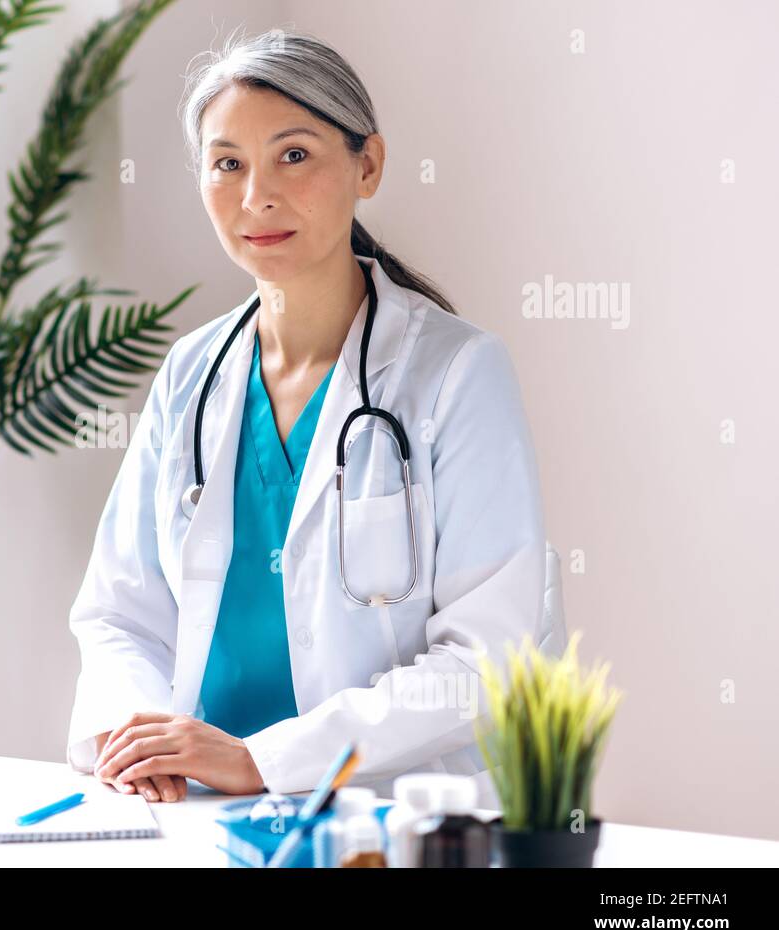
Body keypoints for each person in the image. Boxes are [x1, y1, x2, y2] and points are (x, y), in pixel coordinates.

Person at [66, 29, 555, 806]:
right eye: (227, 164)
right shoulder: (191, 374)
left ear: (368, 164)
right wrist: (142, 735)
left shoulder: (457, 373)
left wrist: (265, 759)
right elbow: (118, 612)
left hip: (386, 814)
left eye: (293, 155)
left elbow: (485, 658)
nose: (256, 195)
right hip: (201, 811)